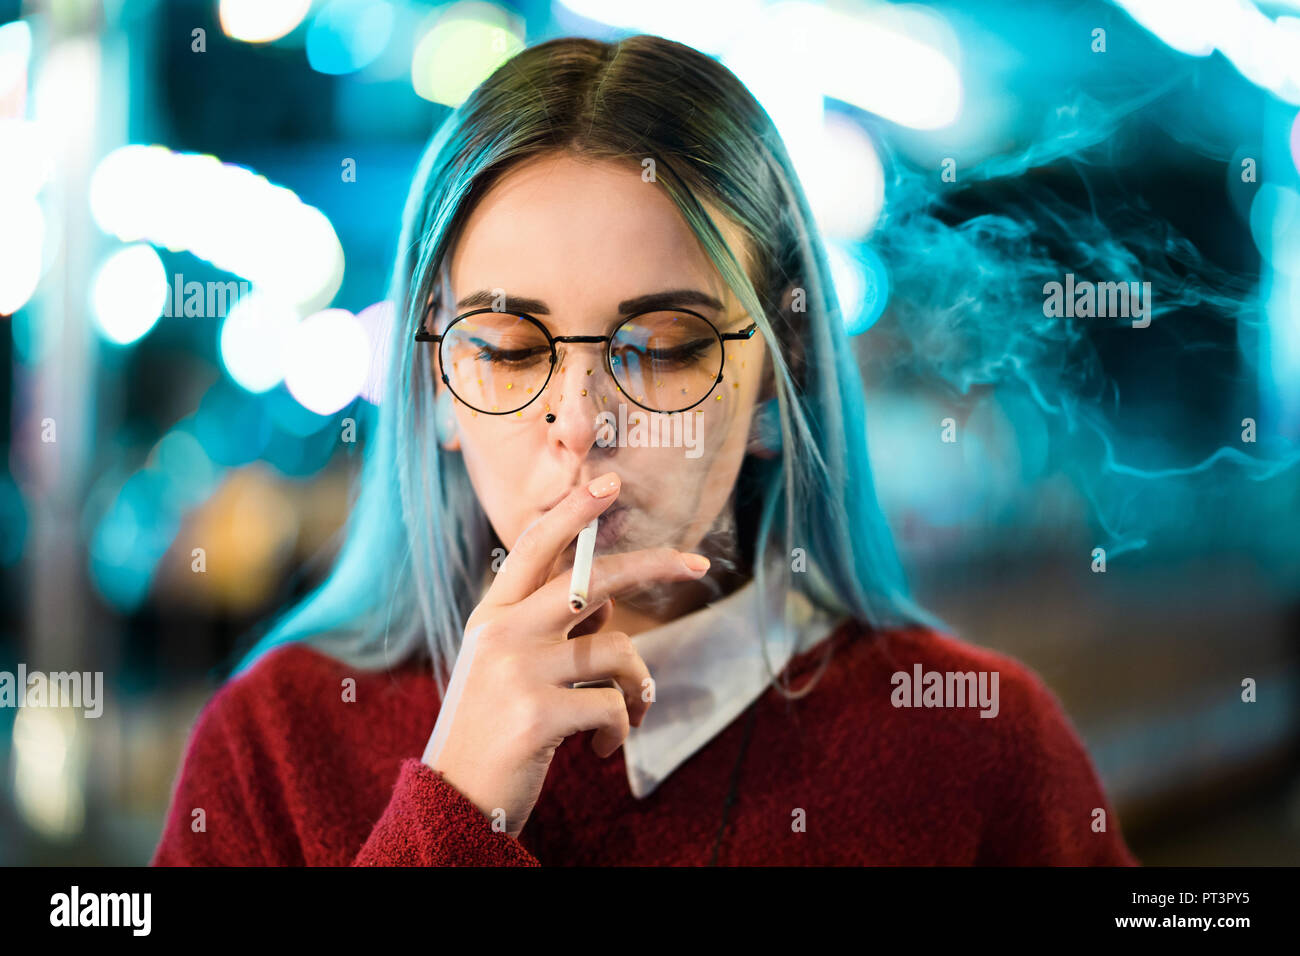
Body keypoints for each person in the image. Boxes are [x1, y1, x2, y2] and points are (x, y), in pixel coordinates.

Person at [152, 34, 1138, 866]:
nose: (579, 419)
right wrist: (451, 812)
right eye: (506, 348)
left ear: (775, 375)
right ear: (432, 385)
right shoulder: (275, 744)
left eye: (660, 348)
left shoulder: (976, 747)